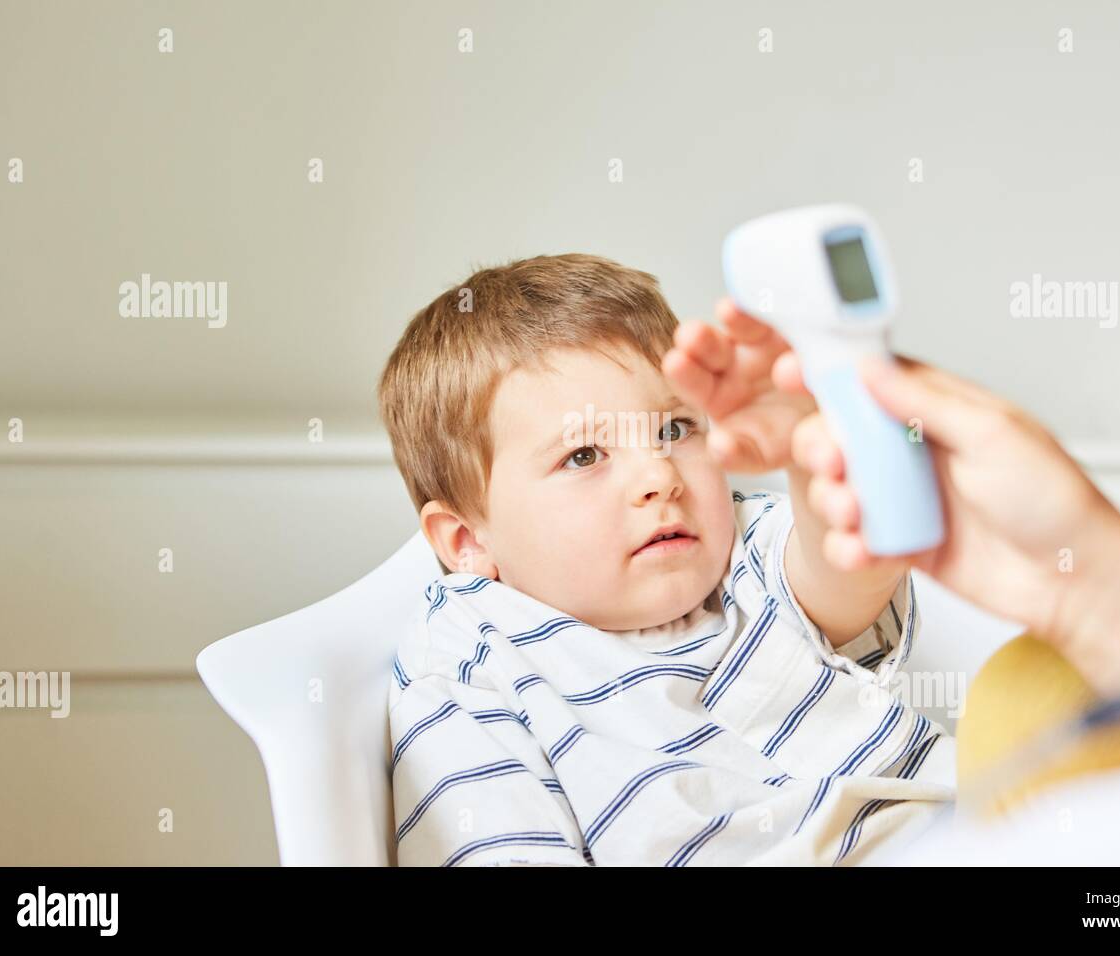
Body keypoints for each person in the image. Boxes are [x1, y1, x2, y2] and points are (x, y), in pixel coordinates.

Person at [378, 254, 956, 866]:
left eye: (675, 429)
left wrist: (820, 450)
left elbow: (848, 573)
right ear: (468, 541)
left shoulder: (744, 541)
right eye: (584, 456)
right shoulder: (472, 653)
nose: (659, 475)